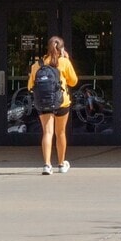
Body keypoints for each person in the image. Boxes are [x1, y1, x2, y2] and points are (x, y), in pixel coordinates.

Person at [29, 35, 78, 175]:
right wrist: (66, 60)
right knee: (60, 132)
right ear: (62, 49)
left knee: (47, 132)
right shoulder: (64, 62)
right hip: (61, 102)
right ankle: (61, 164)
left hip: (43, 103)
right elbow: (73, 81)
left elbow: (30, 86)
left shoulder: (37, 65)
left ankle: (47, 165)